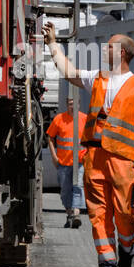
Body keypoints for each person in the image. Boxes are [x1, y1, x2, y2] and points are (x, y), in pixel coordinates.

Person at [43, 23, 134, 267]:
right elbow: (69, 72)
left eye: (110, 46)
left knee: (125, 213)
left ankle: (126, 252)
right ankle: (107, 266)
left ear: (124, 53)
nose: (105, 50)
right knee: (98, 213)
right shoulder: (98, 77)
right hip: (95, 159)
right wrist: (52, 44)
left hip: (122, 161)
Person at [46, 95, 88, 228]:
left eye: (75, 103)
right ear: (67, 105)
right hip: (63, 163)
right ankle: (69, 214)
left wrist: (88, 156)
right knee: (65, 190)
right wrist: (54, 156)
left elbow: (90, 139)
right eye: (70, 103)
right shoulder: (59, 119)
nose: (72, 106)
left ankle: (76, 214)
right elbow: (50, 138)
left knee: (78, 187)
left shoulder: (84, 119)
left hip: (79, 162)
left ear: (79, 104)